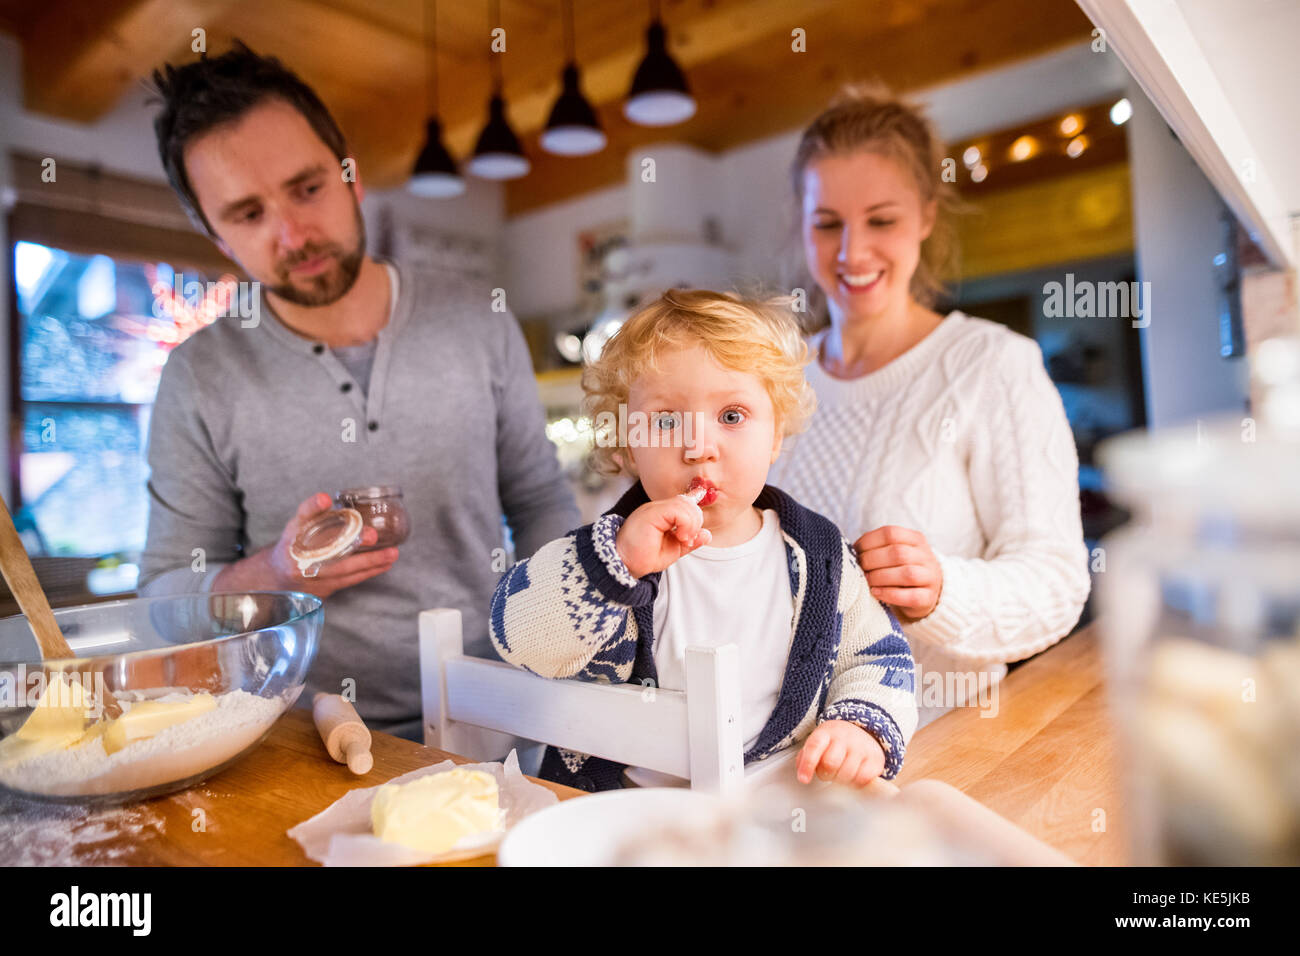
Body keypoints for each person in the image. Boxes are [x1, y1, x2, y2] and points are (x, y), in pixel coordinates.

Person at [139, 42, 580, 744]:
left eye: (307, 188)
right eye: (248, 214)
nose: (293, 234)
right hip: (295, 733)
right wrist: (277, 575)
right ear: (216, 236)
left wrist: (565, 631)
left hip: (494, 711)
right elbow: (166, 598)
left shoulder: (479, 320)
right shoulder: (201, 376)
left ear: (351, 176)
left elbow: (538, 500)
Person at [487, 289, 918, 792]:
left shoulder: (823, 559)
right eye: (667, 421)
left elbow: (878, 660)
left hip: (772, 808)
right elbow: (519, 639)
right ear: (628, 445)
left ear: (776, 433)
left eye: (731, 416)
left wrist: (861, 727)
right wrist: (617, 567)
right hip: (620, 819)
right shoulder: (607, 558)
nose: (699, 447)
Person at [770, 84, 1091, 728]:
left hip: (936, 752)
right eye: (827, 222)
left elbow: (1057, 582)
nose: (851, 252)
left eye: (881, 220)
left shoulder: (993, 364)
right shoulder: (770, 377)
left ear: (926, 216)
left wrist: (942, 590)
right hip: (776, 759)